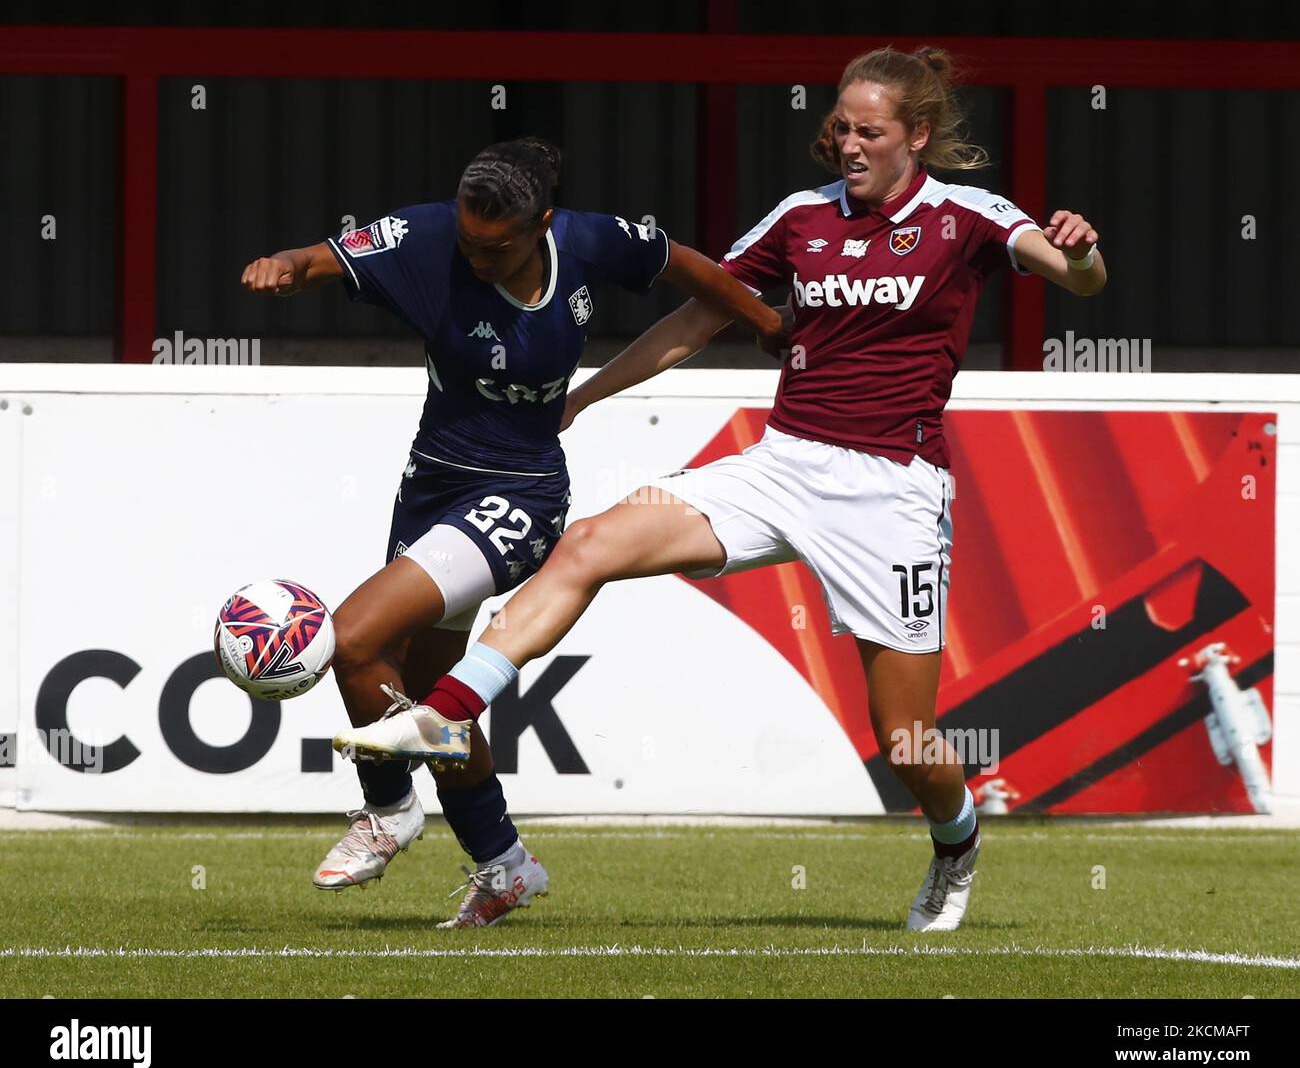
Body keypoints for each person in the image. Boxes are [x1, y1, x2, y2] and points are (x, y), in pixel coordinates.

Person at [334, 47, 1107, 932]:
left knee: (905, 742)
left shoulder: (966, 215)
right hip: (781, 464)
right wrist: (585, 394)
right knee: (588, 541)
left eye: (871, 130)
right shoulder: (802, 218)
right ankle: (446, 712)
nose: (849, 142)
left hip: (891, 492)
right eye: (843, 125)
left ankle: (956, 839)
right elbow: (698, 316)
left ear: (917, 135)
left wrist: (1083, 254)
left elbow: (1076, 276)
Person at [241, 137, 784, 927]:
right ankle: (503, 864)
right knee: (429, 699)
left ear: (543, 225)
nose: (477, 256)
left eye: (496, 246)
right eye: (469, 241)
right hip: (430, 486)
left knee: (351, 639)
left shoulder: (593, 241)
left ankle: (388, 811)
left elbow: (688, 267)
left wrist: (766, 320)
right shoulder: (425, 235)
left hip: (522, 494)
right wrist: (287, 265)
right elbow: (322, 256)